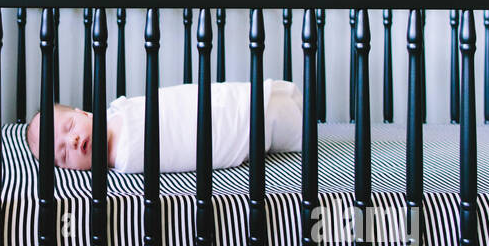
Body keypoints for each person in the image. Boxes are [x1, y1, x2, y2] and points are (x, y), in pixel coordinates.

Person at [25, 79, 302, 172]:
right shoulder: (125, 159)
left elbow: (175, 104)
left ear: (84, 113)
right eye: (63, 154)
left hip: (214, 105)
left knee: (270, 107)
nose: (72, 141)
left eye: (69, 126)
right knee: (273, 121)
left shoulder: (117, 110)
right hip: (227, 131)